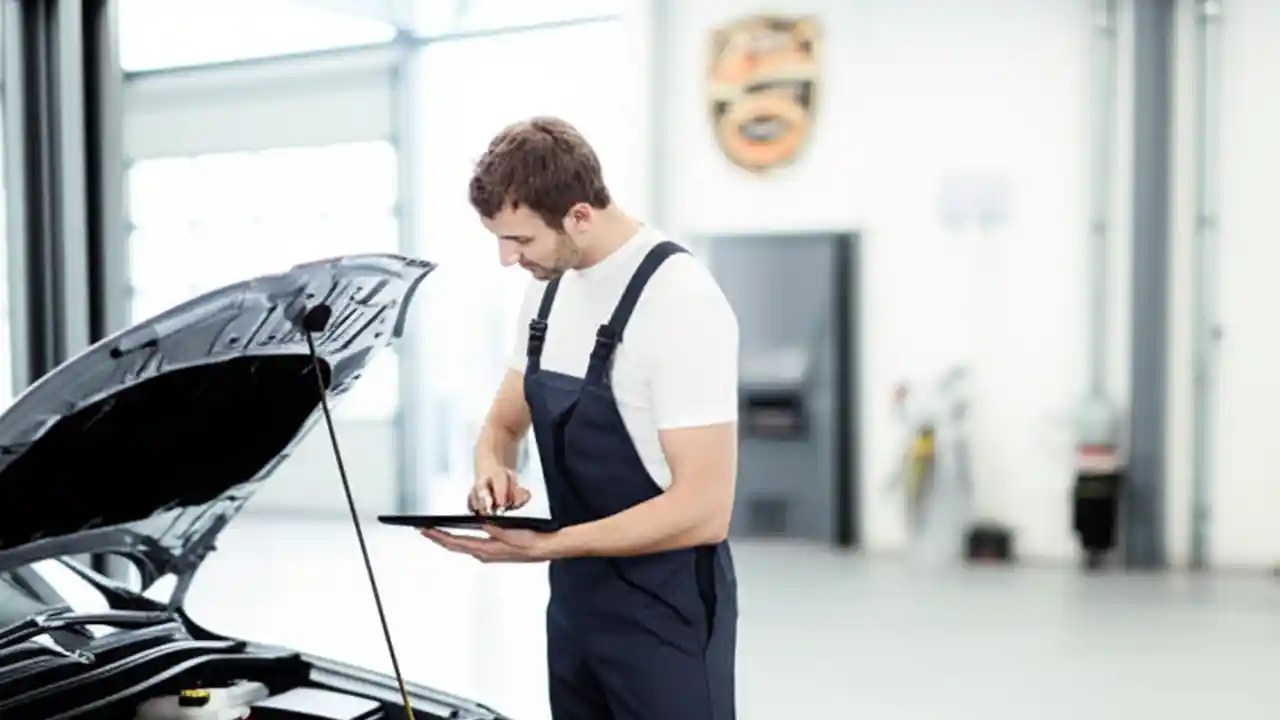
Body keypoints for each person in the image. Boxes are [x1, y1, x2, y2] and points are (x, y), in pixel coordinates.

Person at [419, 116, 740, 719]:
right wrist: (492, 468)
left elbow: (705, 509)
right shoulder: (548, 288)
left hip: (667, 616)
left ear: (580, 216)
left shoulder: (681, 302)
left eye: (520, 241)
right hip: (574, 606)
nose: (506, 259)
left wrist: (550, 545)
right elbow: (502, 424)